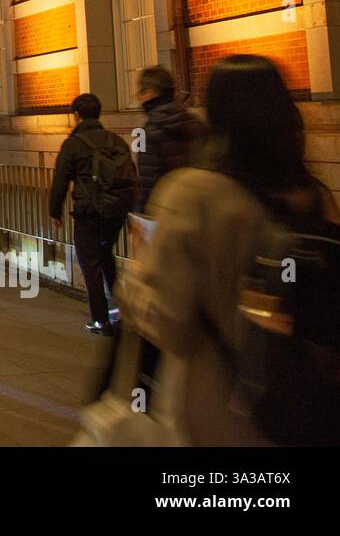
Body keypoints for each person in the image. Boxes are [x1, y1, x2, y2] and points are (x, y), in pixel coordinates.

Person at [123, 54, 340, 445]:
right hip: (302, 408)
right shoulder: (315, 196)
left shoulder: (192, 195)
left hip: (217, 410)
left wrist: (134, 279)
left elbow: (170, 326)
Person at [49, 93, 137, 335]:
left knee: (90, 263)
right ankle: (123, 311)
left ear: (76, 115)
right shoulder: (115, 140)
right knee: (106, 257)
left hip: (89, 211)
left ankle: (100, 318)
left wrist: (54, 211)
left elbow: (60, 180)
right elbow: (130, 174)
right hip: (116, 211)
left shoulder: (74, 143)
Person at [135, 65, 203, 212]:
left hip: (165, 210)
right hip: (197, 206)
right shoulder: (195, 122)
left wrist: (139, 213)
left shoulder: (147, 131)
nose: (139, 97)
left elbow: (147, 180)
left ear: (150, 92)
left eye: (142, 91)